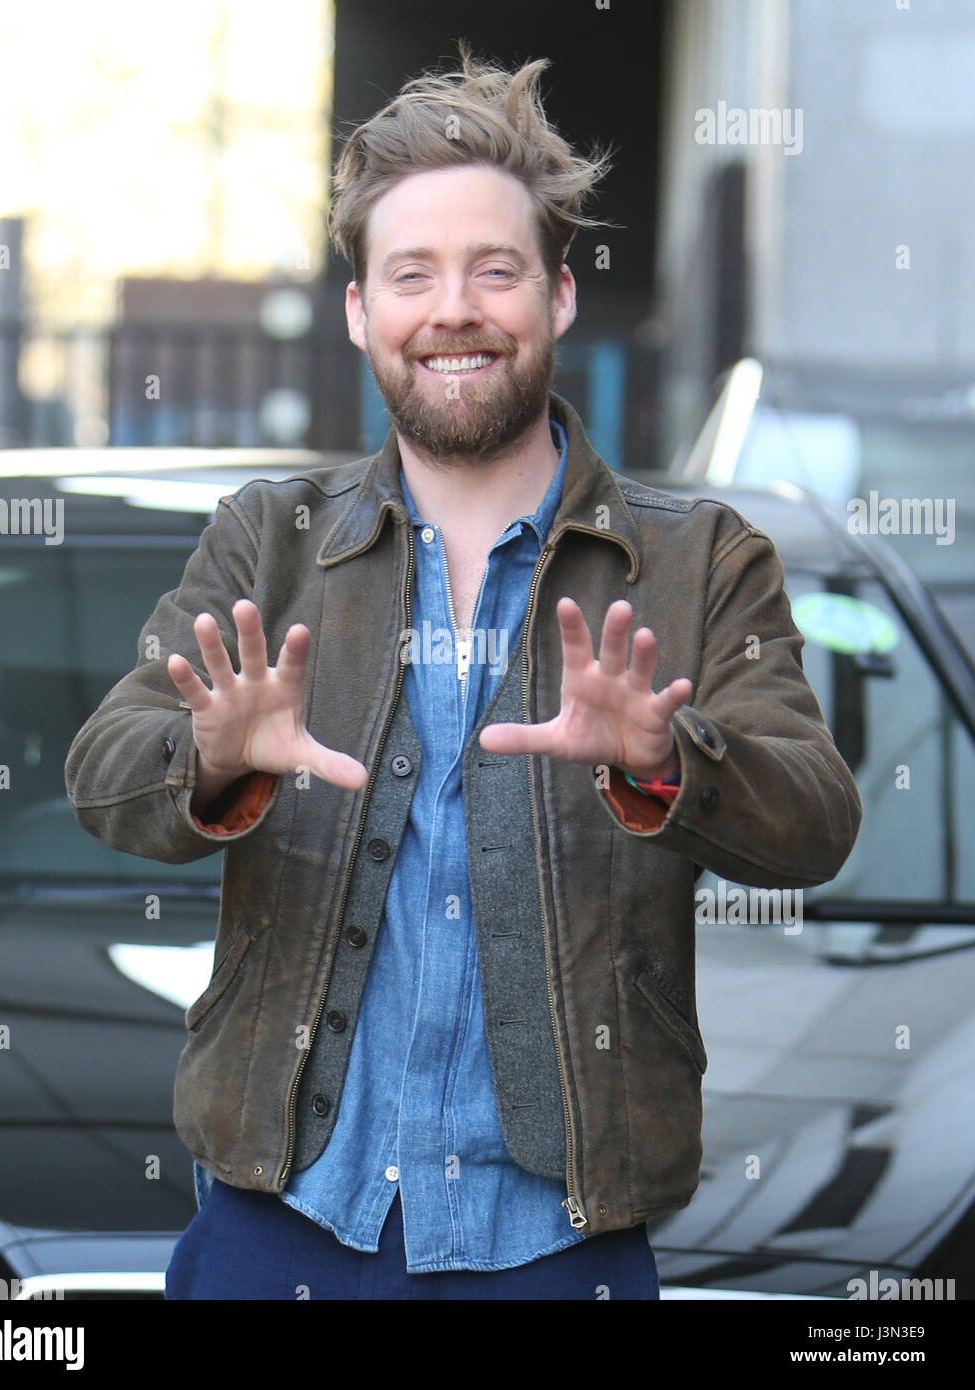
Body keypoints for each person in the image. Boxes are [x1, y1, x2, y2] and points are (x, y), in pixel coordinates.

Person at [64, 44, 861, 1300]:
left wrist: (669, 762)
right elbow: (102, 776)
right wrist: (210, 755)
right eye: (412, 274)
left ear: (558, 296)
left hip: (558, 1244)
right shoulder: (267, 540)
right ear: (359, 313)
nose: (453, 311)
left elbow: (817, 819)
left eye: (494, 269)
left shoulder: (702, 560)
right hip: (281, 1229)